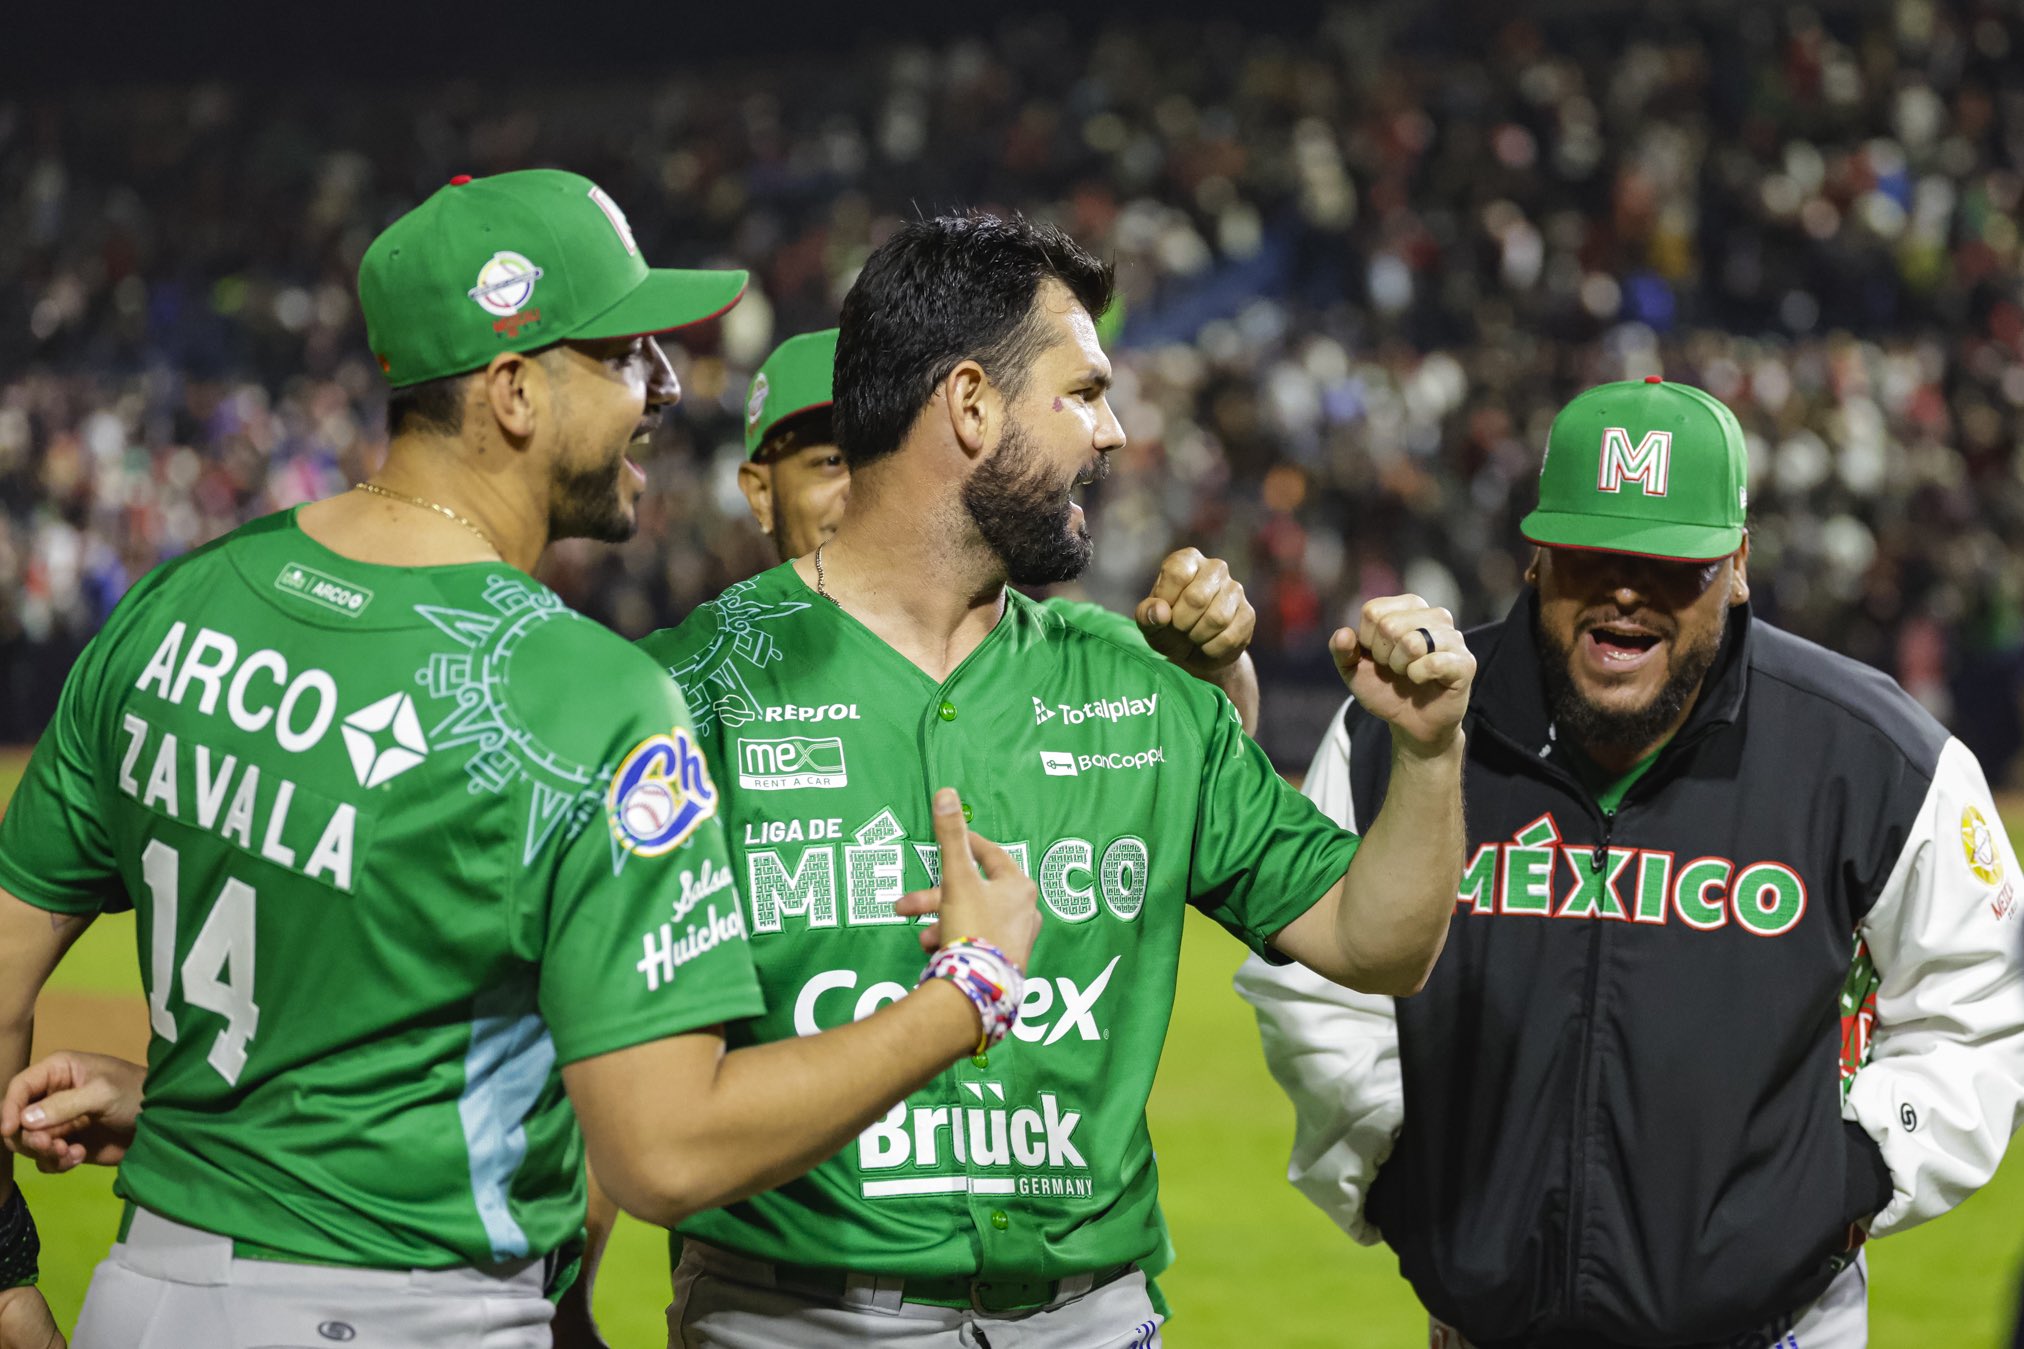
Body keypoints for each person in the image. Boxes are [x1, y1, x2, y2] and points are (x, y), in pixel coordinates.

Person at [0, 171, 1041, 1349]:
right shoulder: (580, 693)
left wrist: (6, 1275)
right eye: (624, 353)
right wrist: (965, 993)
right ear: (510, 392)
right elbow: (666, 1149)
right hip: (407, 1313)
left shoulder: (177, 604)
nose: (663, 385)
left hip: (145, 1292)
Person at [630, 210, 1475, 1347]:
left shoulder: (1142, 690)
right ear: (971, 404)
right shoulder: (688, 696)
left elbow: (1377, 942)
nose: (1113, 432)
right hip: (796, 1317)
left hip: (1089, 1318)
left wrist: (1428, 751)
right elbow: (634, 1117)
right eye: (1082, 393)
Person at [1236, 376, 2024, 1347]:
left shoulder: (1868, 754)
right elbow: (1311, 981)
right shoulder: (1402, 729)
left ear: (1737, 565)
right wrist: (1398, 1159)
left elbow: (1981, 1002)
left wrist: (1851, 1172)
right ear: (1537, 557)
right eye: (1591, 555)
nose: (1623, 589)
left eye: (1670, 564)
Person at [734, 326, 1261, 732]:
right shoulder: (714, 678)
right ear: (761, 495)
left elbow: (1225, 743)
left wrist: (1215, 665)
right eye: (831, 462)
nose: (868, 488)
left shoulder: (1075, 647)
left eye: (886, 455)